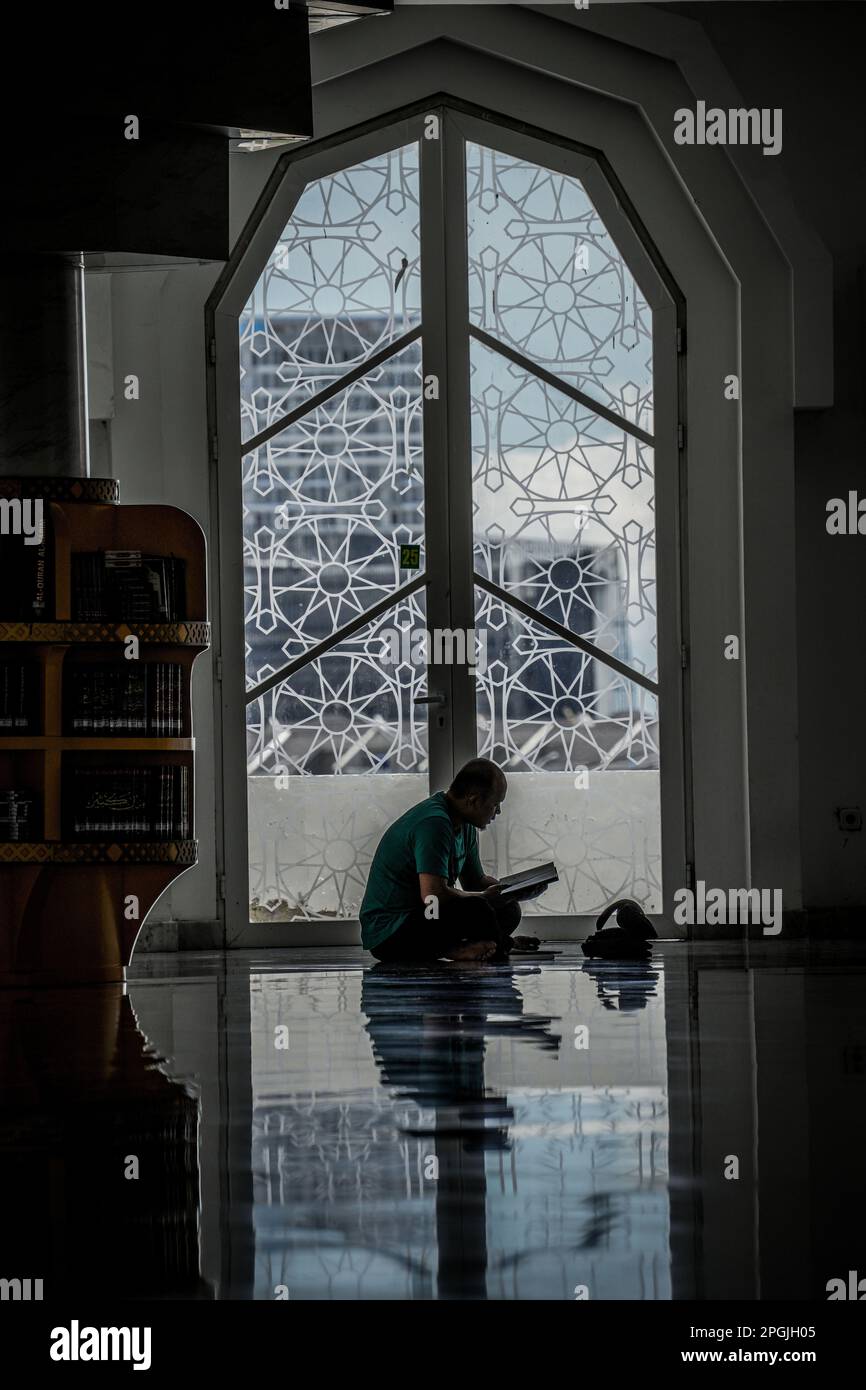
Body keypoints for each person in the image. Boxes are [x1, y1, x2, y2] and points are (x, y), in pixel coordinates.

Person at [360, 758, 533, 962]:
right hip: (392, 931)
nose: (498, 812)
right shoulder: (434, 824)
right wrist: (485, 899)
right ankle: (461, 948)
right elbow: (433, 897)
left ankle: (471, 946)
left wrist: (512, 890)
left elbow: (475, 881)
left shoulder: (465, 824)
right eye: (495, 805)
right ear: (473, 800)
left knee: (509, 910)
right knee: (479, 909)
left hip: (427, 917)